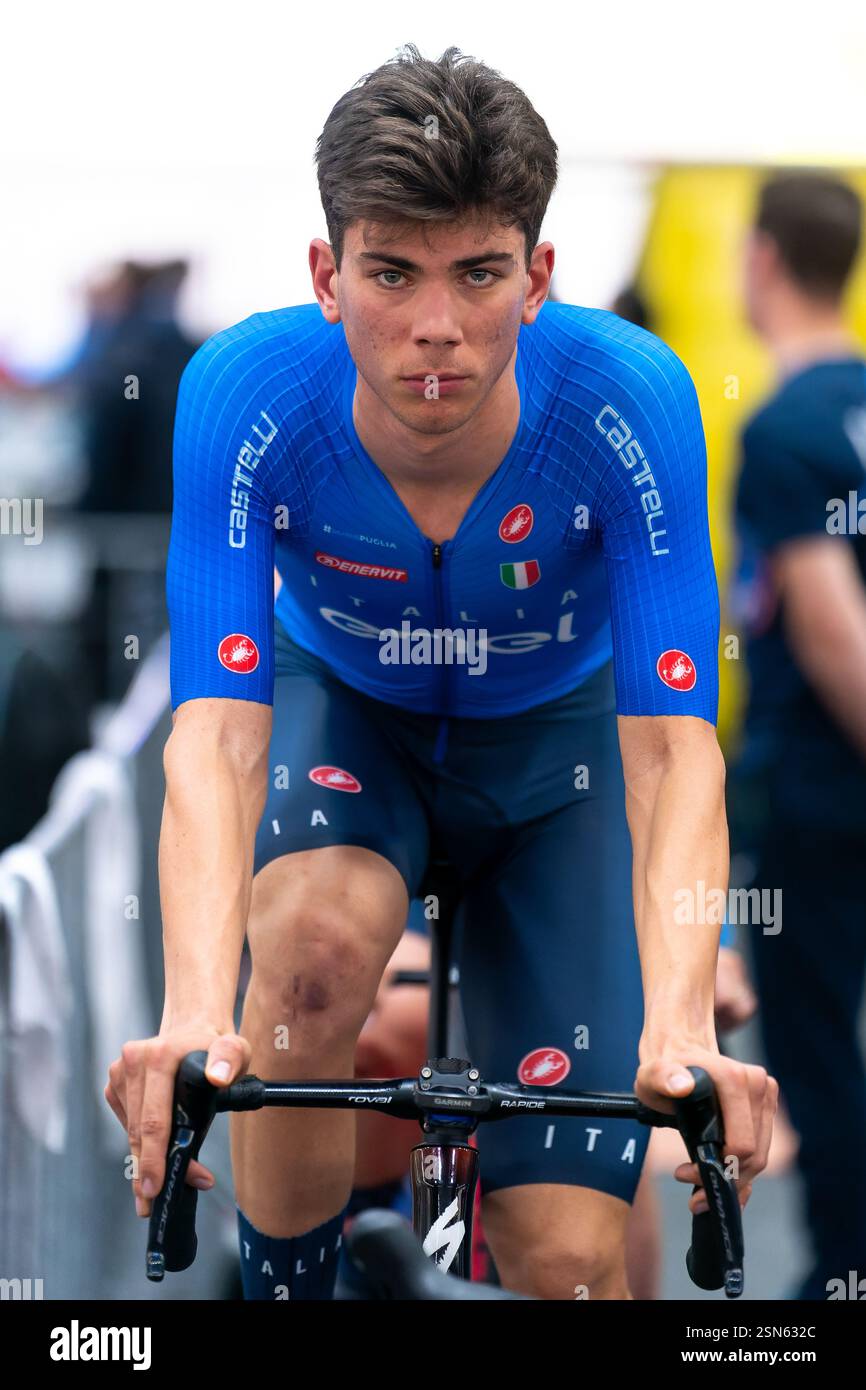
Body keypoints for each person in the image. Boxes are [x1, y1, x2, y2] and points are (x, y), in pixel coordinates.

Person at [107, 44, 776, 1301]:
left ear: (537, 277)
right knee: (301, 953)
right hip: (344, 719)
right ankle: (286, 1286)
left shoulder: (630, 398)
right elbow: (214, 732)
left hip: (558, 756)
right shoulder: (241, 391)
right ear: (325, 273)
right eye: (390, 273)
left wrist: (679, 1020)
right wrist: (196, 1010)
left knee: (569, 1262)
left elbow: (672, 747)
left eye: (478, 274)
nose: (433, 327)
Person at [730, 169, 866, 1300]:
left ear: (762, 259)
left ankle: (843, 1280)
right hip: (824, 792)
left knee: (820, 1053)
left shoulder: (783, 428)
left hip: (821, 798)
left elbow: (830, 633)